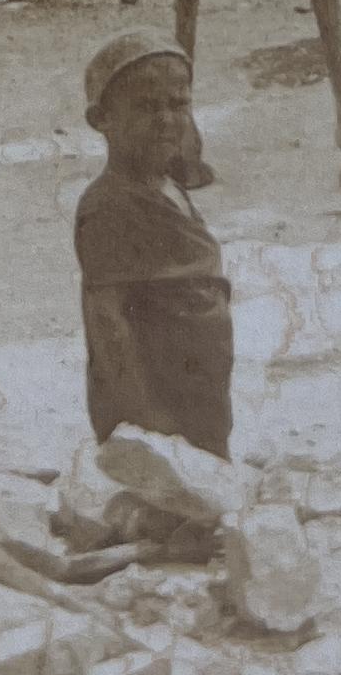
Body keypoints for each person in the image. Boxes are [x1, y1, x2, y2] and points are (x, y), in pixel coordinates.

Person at [73, 33, 233, 459]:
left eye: (178, 105)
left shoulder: (170, 188)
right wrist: (145, 420)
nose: (166, 119)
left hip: (199, 389)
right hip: (154, 407)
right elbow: (108, 322)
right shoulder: (109, 206)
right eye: (146, 107)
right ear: (101, 119)